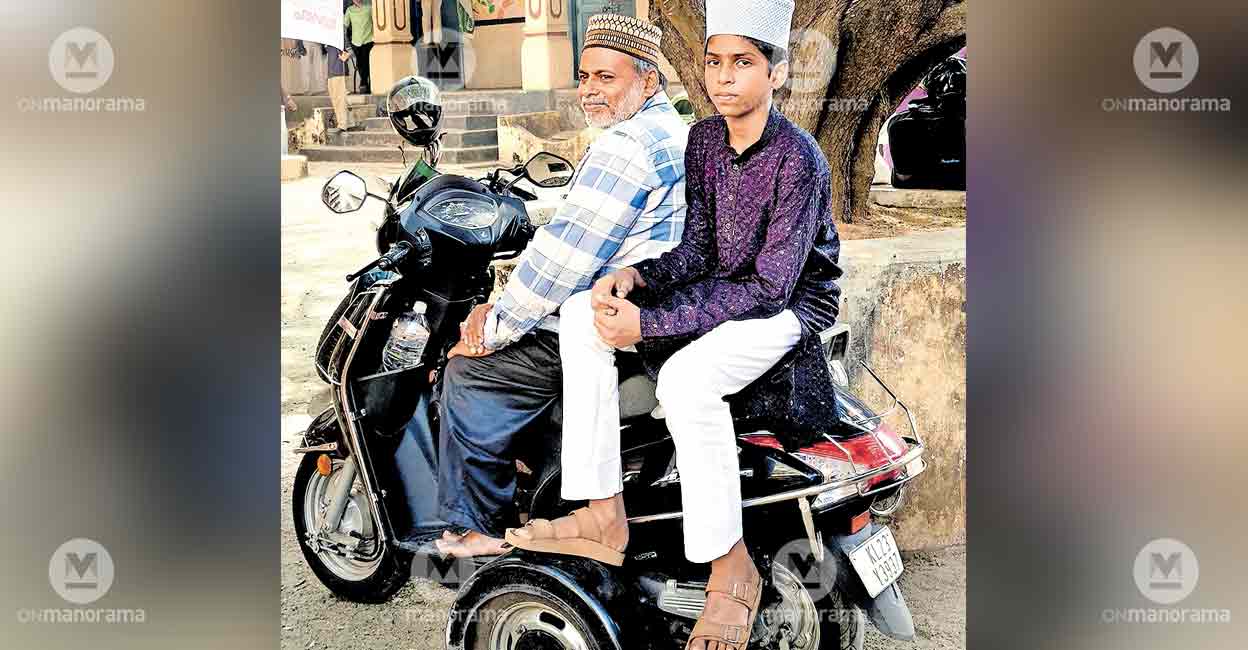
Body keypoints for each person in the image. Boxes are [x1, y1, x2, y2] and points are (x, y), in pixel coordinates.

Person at [506, 1, 844, 649]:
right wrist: (638, 279)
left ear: (776, 73)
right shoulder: (706, 140)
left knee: (688, 380)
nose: (724, 78)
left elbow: (771, 285)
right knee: (582, 314)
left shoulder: (798, 158)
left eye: (743, 63)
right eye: (714, 62)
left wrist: (653, 321)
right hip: (725, 291)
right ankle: (603, 514)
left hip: (790, 306)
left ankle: (731, 568)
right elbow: (697, 249)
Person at [433, 14, 689, 559]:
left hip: (611, 319)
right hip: (661, 309)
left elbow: (563, 262)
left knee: (467, 374)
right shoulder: (676, 132)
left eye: (606, 78)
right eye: (584, 76)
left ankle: (478, 528)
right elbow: (589, 222)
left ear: (647, 81)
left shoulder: (626, 144)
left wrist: (491, 327)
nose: (589, 91)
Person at [344, 0, 374, 94]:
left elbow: (376, 22)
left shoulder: (369, 7)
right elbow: (345, 25)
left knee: (366, 63)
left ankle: (364, 83)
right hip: (355, 41)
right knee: (360, 63)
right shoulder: (349, 10)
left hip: (368, 39)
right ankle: (365, 84)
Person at [326, 43, 356, 131]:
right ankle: (350, 122)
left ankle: (342, 124)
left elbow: (350, 51)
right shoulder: (328, 38)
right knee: (338, 97)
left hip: (338, 72)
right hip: (332, 71)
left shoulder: (338, 34)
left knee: (339, 98)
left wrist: (340, 61)